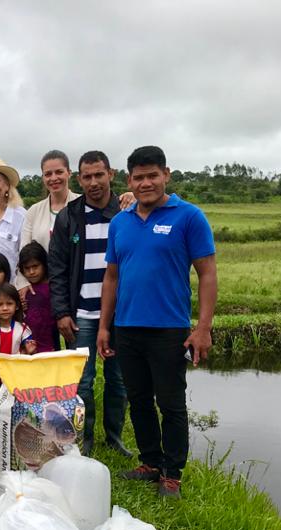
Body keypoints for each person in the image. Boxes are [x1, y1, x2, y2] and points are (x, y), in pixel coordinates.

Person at [98, 145, 218, 498]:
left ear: (166, 174)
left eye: (153, 175)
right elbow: (111, 277)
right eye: (139, 177)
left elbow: (207, 273)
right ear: (129, 180)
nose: (146, 183)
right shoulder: (120, 223)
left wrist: (203, 328)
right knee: (138, 399)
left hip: (169, 328)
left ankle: (172, 473)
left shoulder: (189, 217)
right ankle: (150, 462)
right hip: (127, 327)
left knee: (171, 403)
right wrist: (104, 326)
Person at [49, 150, 130, 458]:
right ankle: (83, 438)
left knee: (118, 379)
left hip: (120, 314)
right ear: (79, 179)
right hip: (81, 313)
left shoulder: (126, 212)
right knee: (82, 381)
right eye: (87, 177)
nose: (94, 182)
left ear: (111, 174)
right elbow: (57, 269)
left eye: (99, 175)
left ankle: (114, 437)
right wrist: (62, 312)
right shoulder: (69, 217)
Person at [0, 283, 36, 400]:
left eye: (9, 303)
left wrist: (30, 352)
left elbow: (26, 357)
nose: (5, 308)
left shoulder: (23, 328)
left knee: (17, 409)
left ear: (17, 306)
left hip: (17, 380)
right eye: (0, 304)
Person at [21, 150, 80, 253]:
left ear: (69, 173)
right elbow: (25, 252)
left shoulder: (83, 205)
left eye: (59, 172)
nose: (53, 178)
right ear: (43, 178)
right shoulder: (33, 212)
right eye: (48, 174)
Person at [17, 242, 58, 353]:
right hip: (26, 347)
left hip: (50, 346)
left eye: (35, 266)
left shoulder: (54, 287)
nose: (31, 272)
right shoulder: (23, 290)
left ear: (44, 264)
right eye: (27, 268)